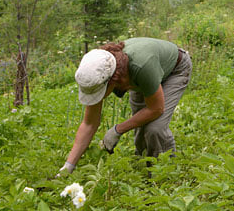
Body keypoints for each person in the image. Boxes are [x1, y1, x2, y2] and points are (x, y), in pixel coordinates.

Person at [58, 38, 191, 176]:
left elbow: (156, 108)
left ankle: (165, 174)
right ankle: (144, 171)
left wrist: (117, 130)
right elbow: (89, 124)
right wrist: (68, 167)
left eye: (99, 92)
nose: (98, 97)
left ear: (113, 80)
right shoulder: (99, 72)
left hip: (175, 70)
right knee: (141, 126)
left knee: (154, 128)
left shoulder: (140, 67)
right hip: (143, 73)